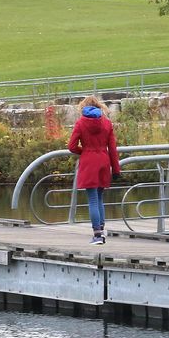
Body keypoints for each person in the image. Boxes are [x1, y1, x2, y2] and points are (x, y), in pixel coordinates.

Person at [67, 95, 121, 245]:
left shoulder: (80, 123)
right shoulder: (107, 123)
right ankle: (101, 230)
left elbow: (71, 146)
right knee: (99, 198)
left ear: (83, 108)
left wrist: (84, 151)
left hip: (89, 163)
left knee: (92, 199)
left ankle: (97, 235)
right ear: (99, 107)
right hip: (104, 161)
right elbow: (113, 149)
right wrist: (116, 169)